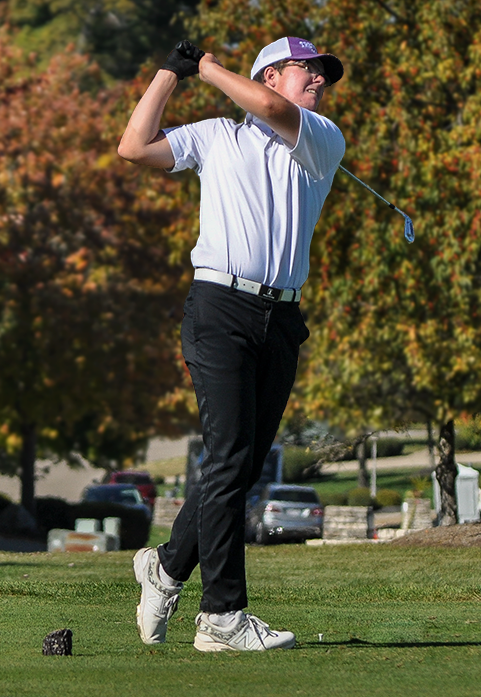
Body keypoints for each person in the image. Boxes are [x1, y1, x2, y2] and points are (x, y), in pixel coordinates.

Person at [116, 37, 345, 652]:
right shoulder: (217, 135)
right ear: (270, 74)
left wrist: (208, 68)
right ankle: (221, 618)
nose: (321, 81)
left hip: (280, 318)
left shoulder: (321, 135)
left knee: (238, 468)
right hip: (219, 308)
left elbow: (272, 112)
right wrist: (170, 69)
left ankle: (163, 568)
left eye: (324, 74)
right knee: (228, 457)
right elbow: (133, 147)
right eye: (309, 71)